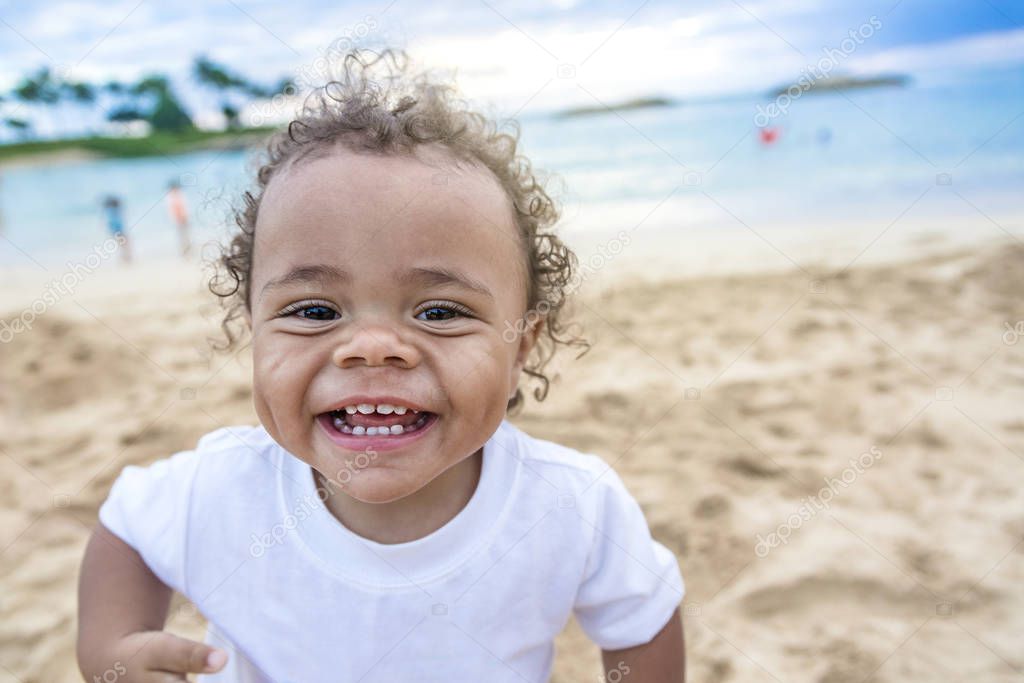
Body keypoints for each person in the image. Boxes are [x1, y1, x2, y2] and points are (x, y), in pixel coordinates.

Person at [76, 49, 685, 683]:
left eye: (440, 311)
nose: (371, 347)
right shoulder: (219, 493)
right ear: (253, 330)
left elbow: (643, 617)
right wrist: (110, 646)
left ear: (521, 346)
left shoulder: (570, 504)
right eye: (314, 311)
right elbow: (128, 531)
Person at [101, 195, 131, 263]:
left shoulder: (110, 212)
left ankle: (125, 258)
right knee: (125, 244)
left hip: (115, 231)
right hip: (119, 231)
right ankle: (126, 258)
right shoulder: (116, 212)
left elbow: (110, 225)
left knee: (123, 245)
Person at [166, 180, 192, 257]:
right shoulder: (172, 196)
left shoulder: (177, 195)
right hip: (179, 219)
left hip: (183, 218)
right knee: (183, 236)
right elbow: (174, 209)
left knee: (185, 236)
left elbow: (183, 208)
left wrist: (184, 216)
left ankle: (187, 251)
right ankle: (185, 252)